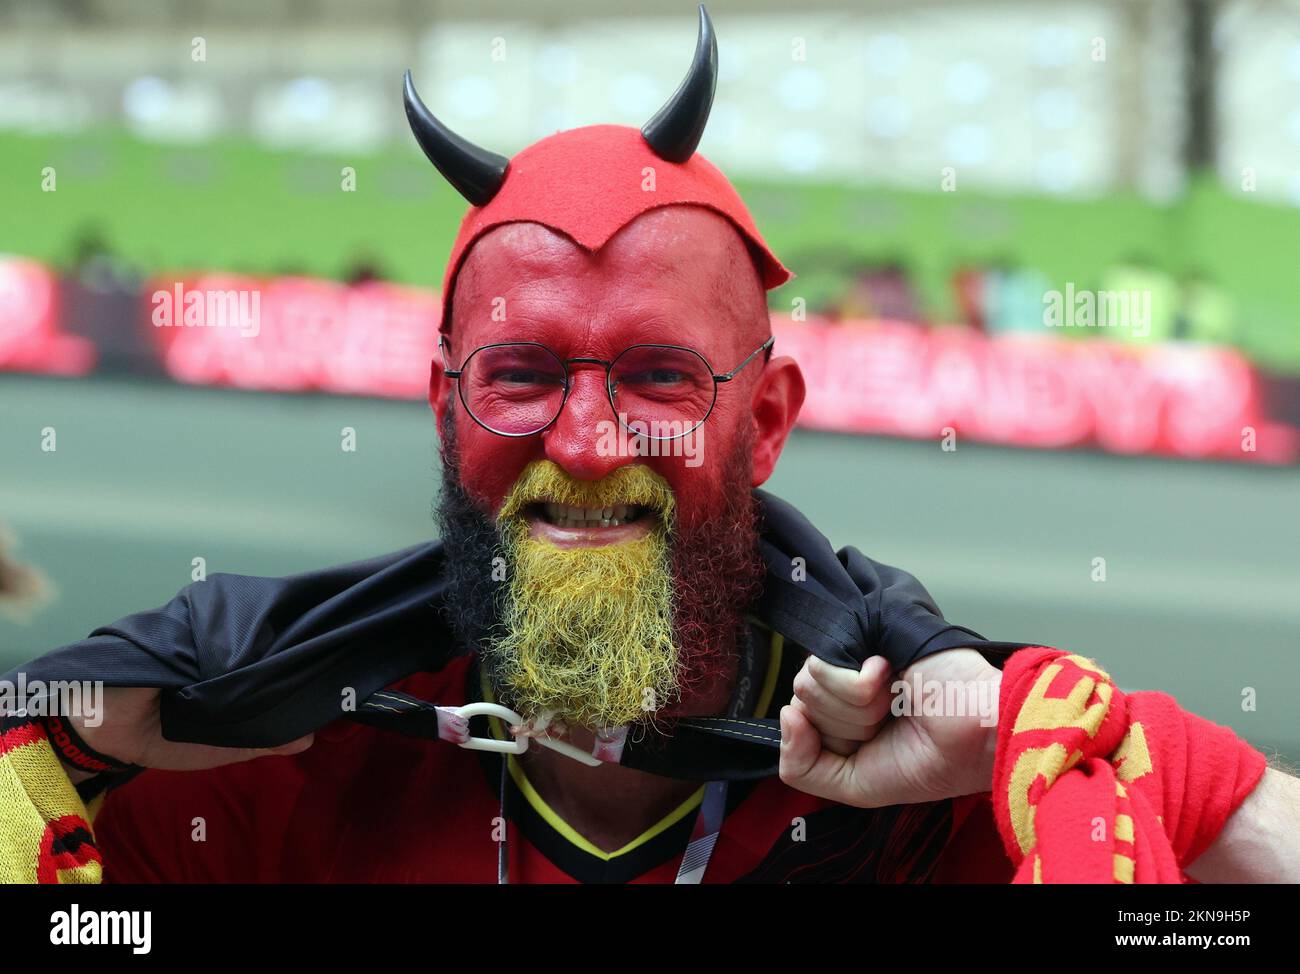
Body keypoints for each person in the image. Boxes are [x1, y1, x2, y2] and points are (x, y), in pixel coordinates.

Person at [2, 7, 1295, 885]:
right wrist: (76, 727)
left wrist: (1044, 743)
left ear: (769, 417)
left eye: (659, 375)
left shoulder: (935, 793)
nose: (586, 438)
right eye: (522, 375)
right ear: (447, 408)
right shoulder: (279, 754)